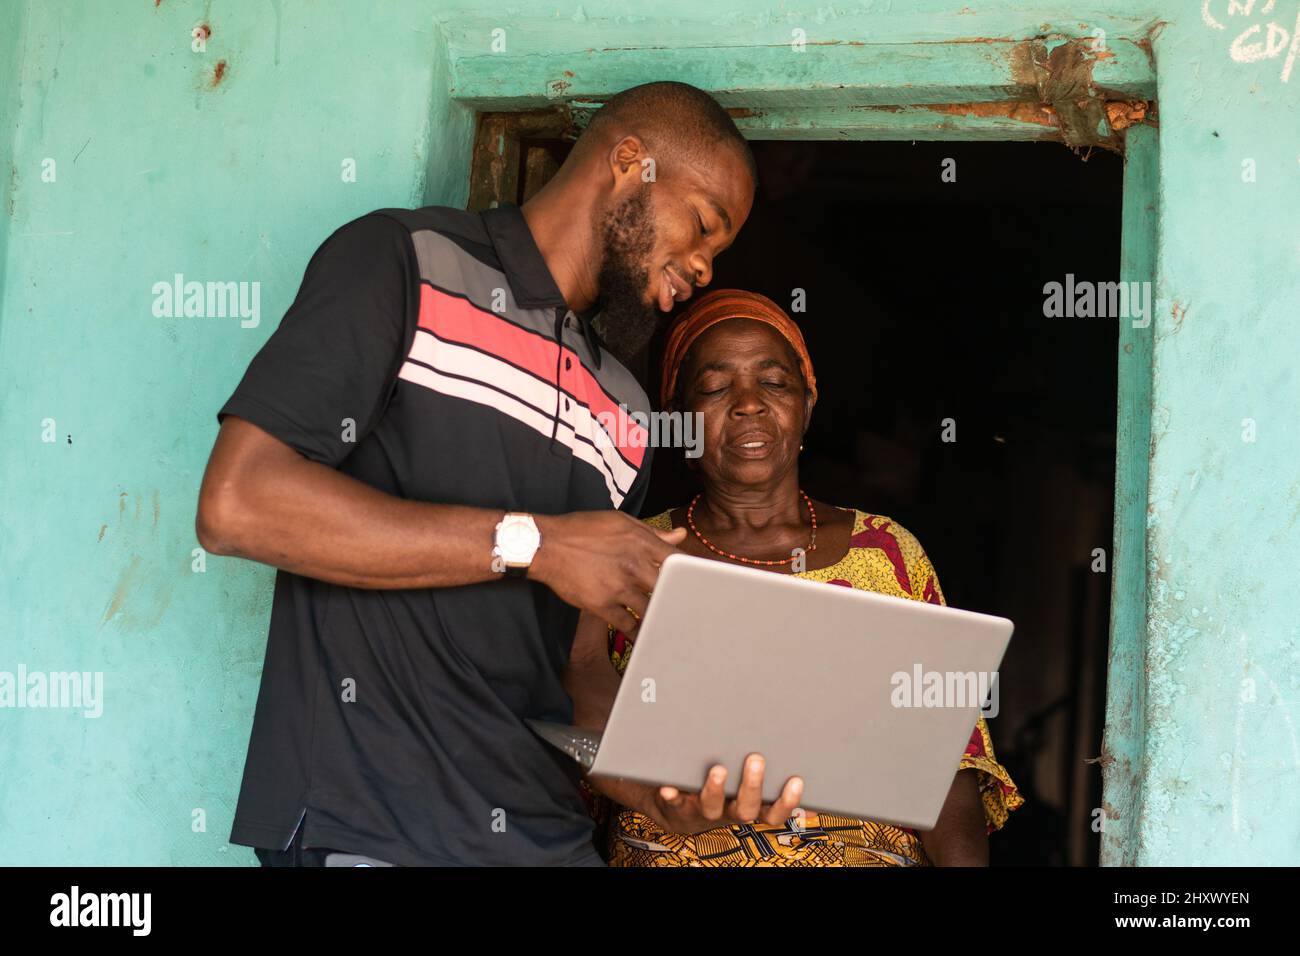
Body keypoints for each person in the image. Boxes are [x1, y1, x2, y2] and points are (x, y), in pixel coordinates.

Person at [194, 82, 768, 866]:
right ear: (630, 163)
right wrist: (537, 543)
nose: (703, 267)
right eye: (704, 225)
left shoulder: (626, 412)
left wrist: (662, 788)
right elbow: (238, 503)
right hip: (376, 826)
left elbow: (577, 671)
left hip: (545, 839)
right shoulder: (403, 262)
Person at [565, 289, 1023, 866]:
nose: (748, 404)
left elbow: (948, 759)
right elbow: (579, 719)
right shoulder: (632, 551)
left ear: (807, 406)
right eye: (714, 387)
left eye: (775, 383)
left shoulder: (887, 553)